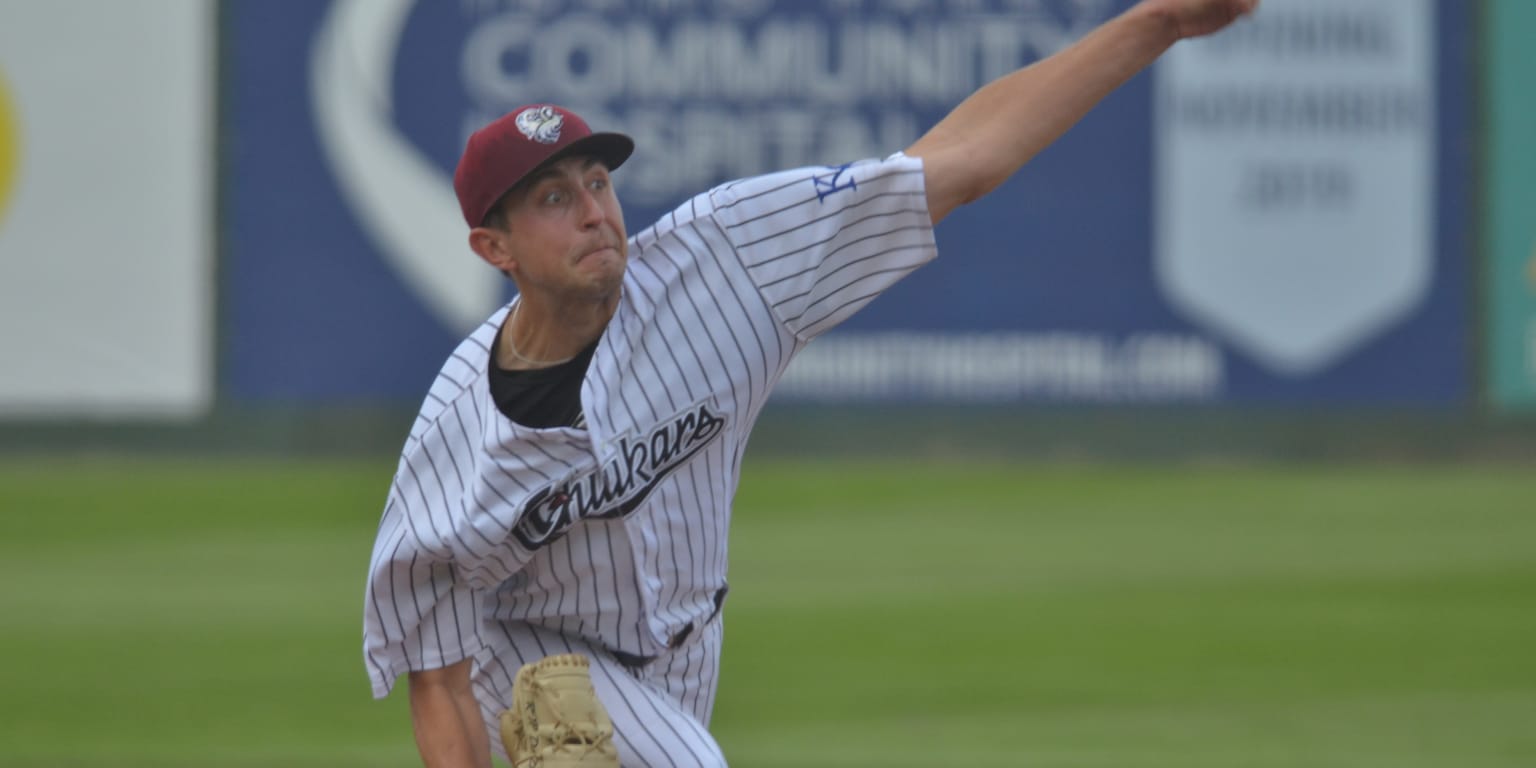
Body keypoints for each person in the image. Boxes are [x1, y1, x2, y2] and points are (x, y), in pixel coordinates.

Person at [362, 1, 1260, 765]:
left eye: (597, 180)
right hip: (523, 659)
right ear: (495, 248)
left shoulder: (726, 263)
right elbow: (435, 673)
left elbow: (958, 163)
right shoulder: (456, 435)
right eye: (554, 198)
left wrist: (1159, 20)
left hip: (685, 652)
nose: (595, 210)